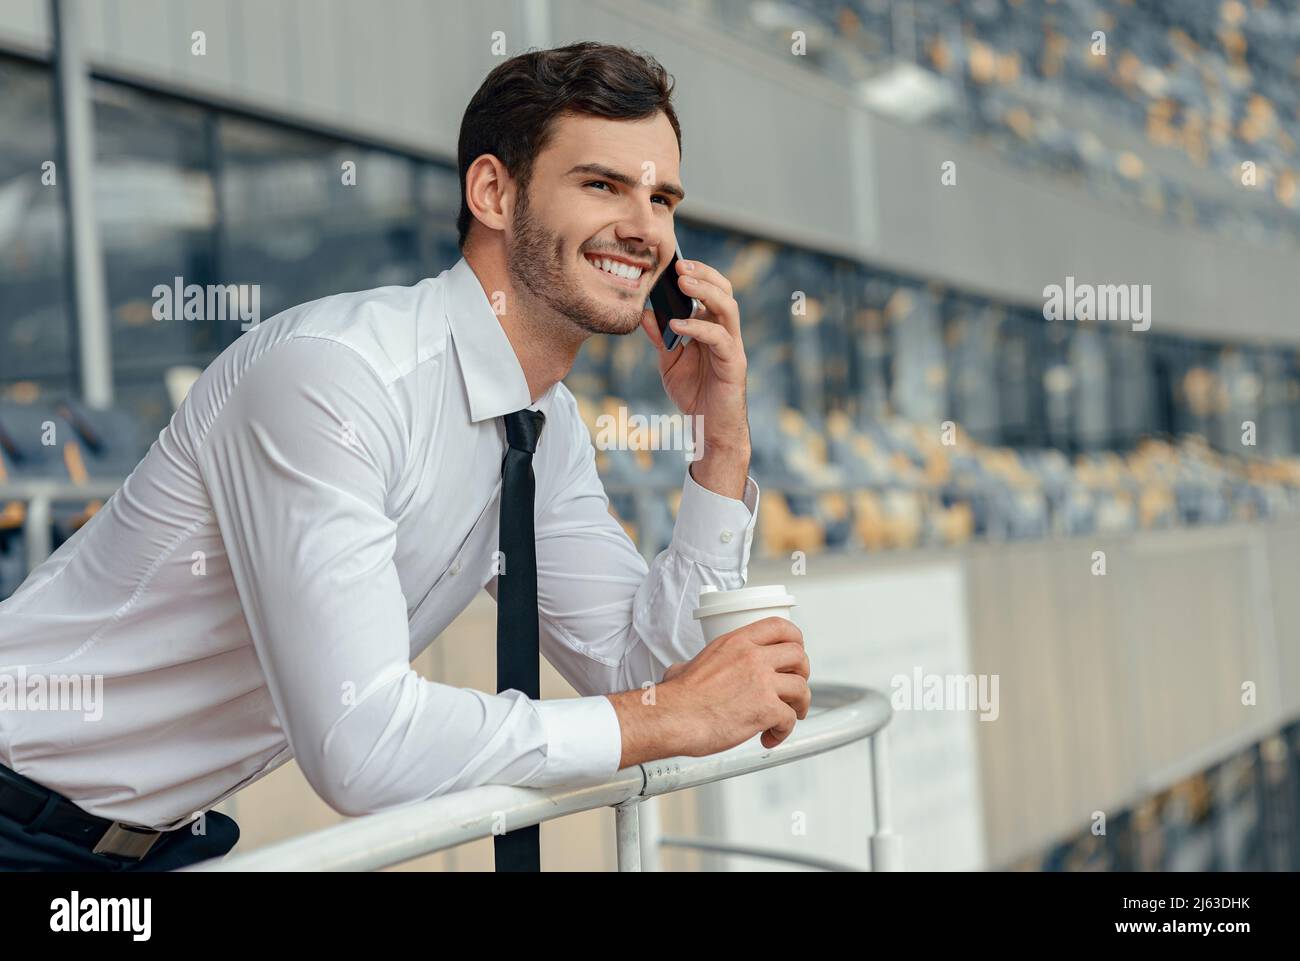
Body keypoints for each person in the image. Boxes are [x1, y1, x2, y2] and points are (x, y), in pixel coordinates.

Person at [0, 41, 810, 872]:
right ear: (493, 191)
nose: (644, 228)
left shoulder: (544, 427)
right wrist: (669, 713)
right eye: (602, 184)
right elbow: (363, 741)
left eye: (663, 197)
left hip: (145, 847)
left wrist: (722, 443)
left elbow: (647, 669)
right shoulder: (336, 376)